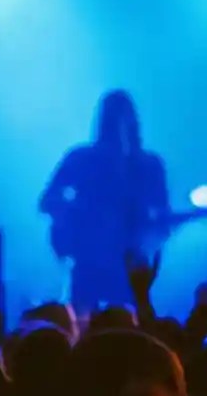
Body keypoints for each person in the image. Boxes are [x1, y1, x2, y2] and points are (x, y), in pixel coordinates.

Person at [40, 90, 170, 311]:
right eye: (113, 120)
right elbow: (47, 201)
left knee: (127, 328)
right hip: (89, 262)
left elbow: (163, 218)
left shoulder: (148, 165)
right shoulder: (81, 158)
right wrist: (76, 216)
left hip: (127, 265)